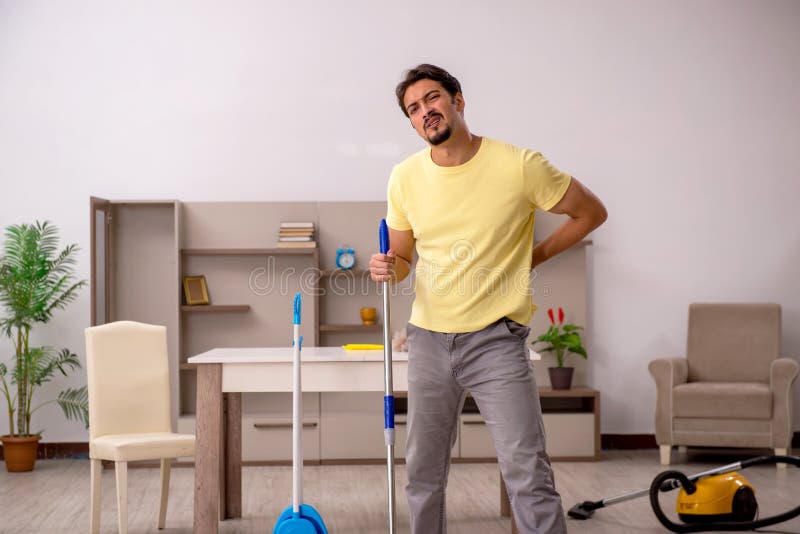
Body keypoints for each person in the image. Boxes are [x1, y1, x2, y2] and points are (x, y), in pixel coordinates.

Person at [369, 63, 607, 534]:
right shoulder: (404, 177)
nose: (425, 112)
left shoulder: (519, 165)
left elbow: (589, 213)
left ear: (458, 100)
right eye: (413, 109)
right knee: (422, 474)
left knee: (527, 473)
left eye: (432, 99)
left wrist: (532, 258)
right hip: (428, 341)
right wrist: (386, 266)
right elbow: (401, 260)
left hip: (496, 340)